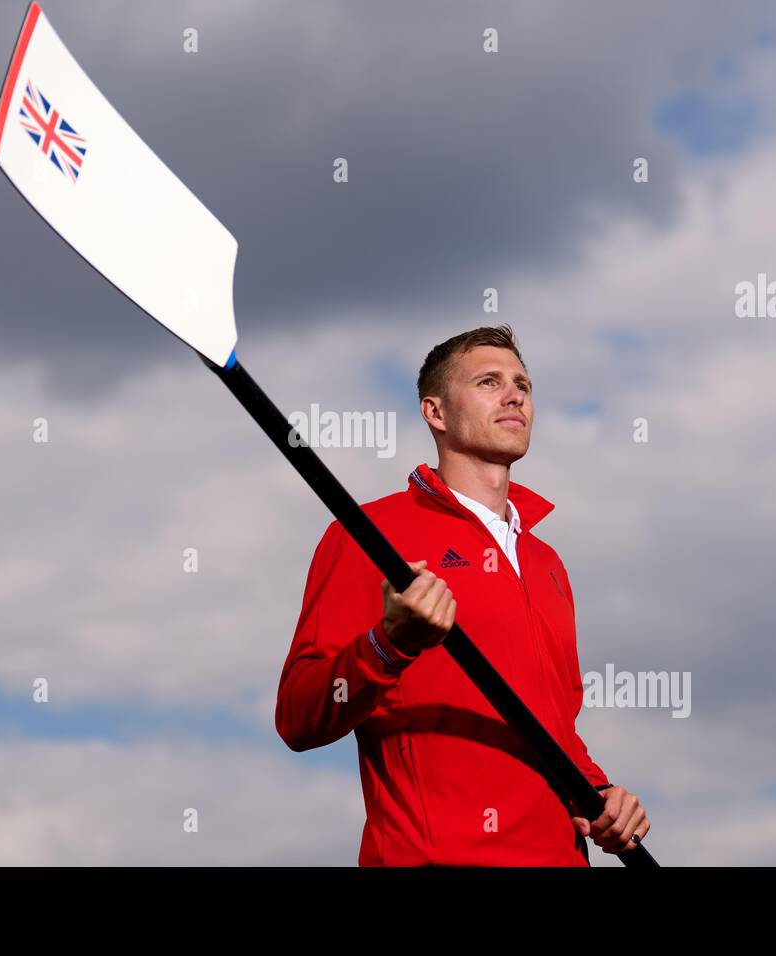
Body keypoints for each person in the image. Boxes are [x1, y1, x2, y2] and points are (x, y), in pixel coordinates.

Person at [274, 324, 650, 865]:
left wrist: (602, 799)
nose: (515, 393)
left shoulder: (547, 564)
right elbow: (298, 716)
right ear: (436, 413)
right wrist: (389, 644)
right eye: (489, 382)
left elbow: (553, 727)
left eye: (523, 383)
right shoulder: (369, 535)